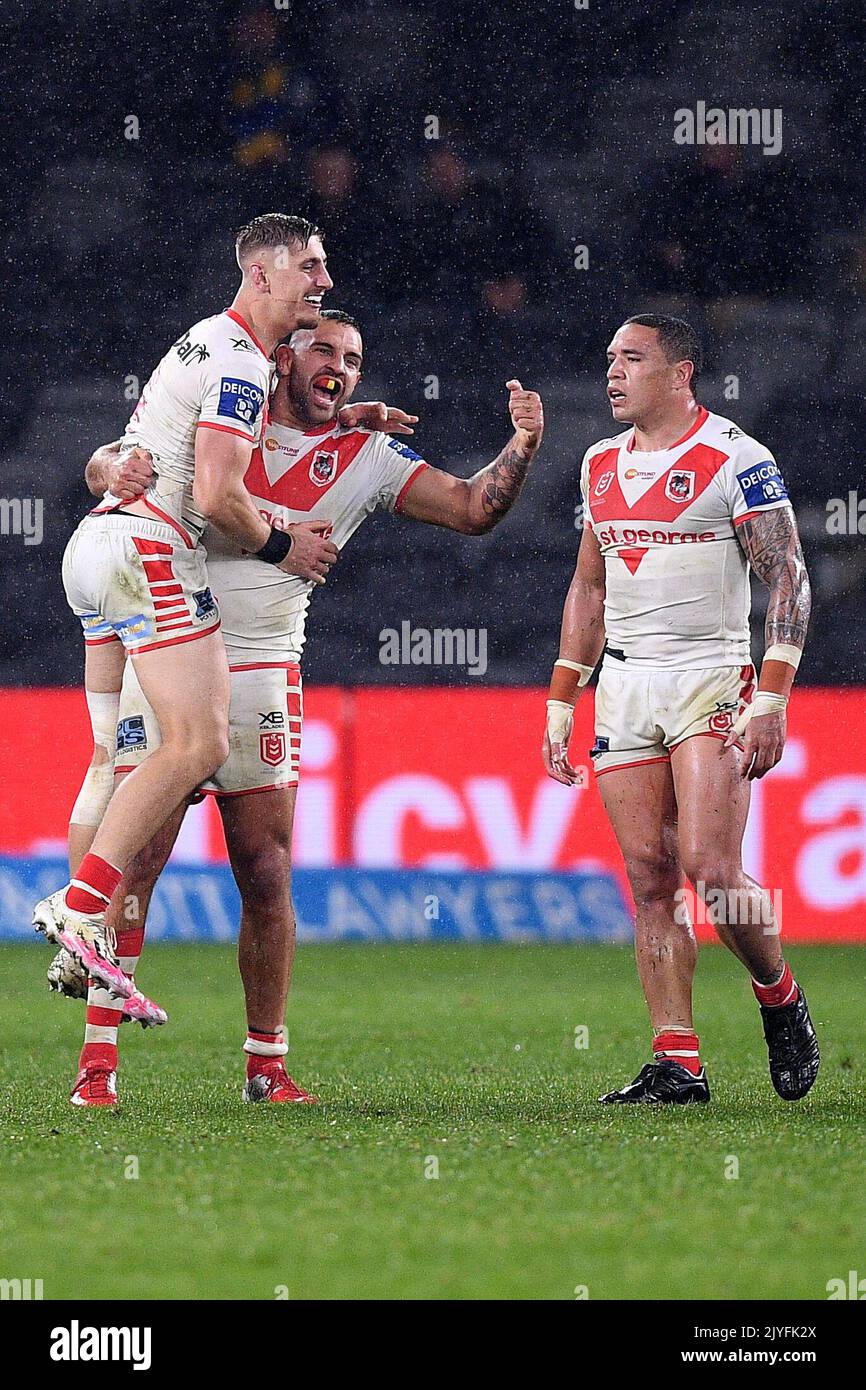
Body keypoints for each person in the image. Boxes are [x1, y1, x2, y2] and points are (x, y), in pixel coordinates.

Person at [50, 309, 545, 1106]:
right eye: (325, 349)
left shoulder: (367, 455)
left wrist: (521, 448)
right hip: (169, 654)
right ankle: (97, 1068)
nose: (341, 368)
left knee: (267, 872)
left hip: (265, 675)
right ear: (283, 358)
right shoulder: (226, 414)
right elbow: (111, 460)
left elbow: (473, 508)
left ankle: (266, 1066)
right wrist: (110, 469)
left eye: (353, 359)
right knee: (139, 863)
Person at [34, 213, 338, 1086]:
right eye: (310, 267)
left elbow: (135, 452)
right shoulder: (241, 358)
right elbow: (216, 492)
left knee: (111, 760)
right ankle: (82, 908)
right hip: (149, 554)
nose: (323, 281)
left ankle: (87, 970)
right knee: (198, 744)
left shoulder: (208, 342)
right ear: (263, 274)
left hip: (96, 549)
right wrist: (287, 547)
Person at [543, 313, 819, 1105]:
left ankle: (779, 994)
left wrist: (772, 696)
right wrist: (563, 697)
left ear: (680, 372)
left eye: (632, 358)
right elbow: (589, 585)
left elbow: (789, 576)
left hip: (710, 678)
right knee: (651, 878)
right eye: (609, 359)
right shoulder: (598, 464)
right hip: (625, 686)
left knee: (709, 867)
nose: (614, 372)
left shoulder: (735, 458)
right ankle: (678, 1062)